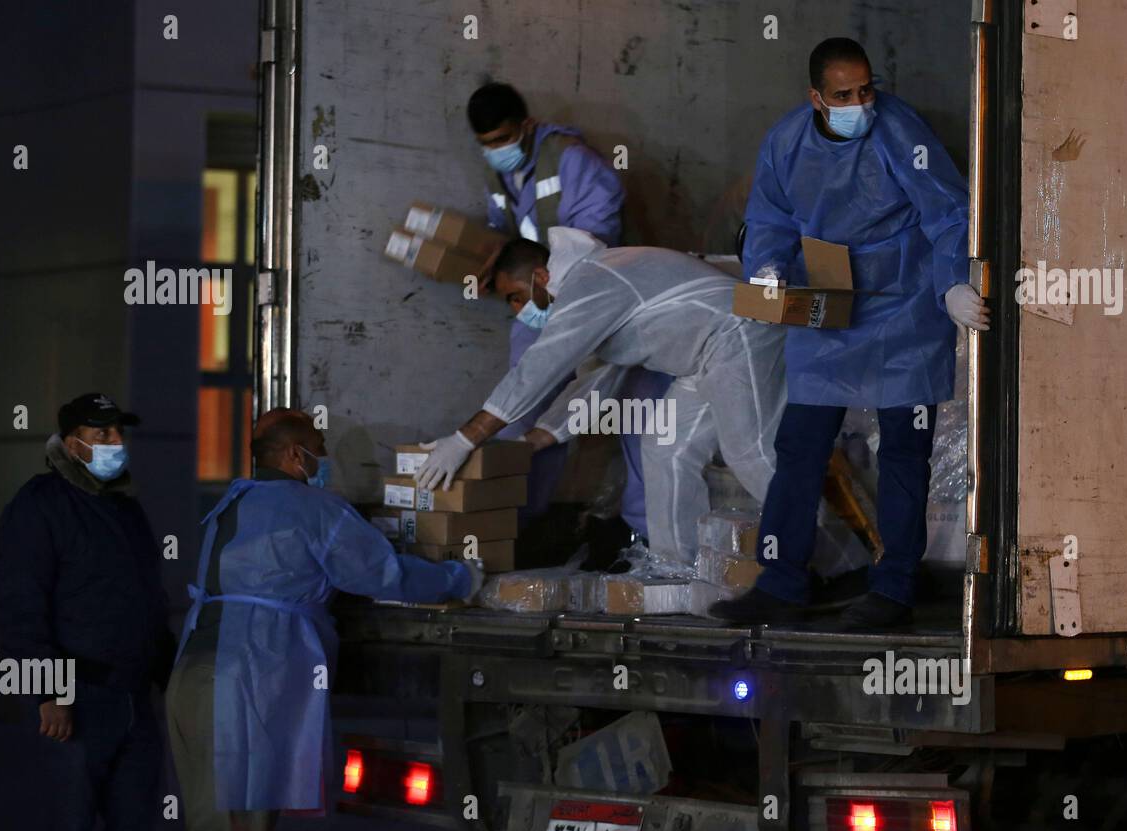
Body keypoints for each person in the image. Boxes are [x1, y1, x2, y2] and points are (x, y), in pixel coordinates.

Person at [710, 38, 990, 628]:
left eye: (866, 90)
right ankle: (782, 581)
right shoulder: (786, 143)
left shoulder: (898, 131)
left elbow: (948, 210)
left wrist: (949, 284)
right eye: (843, 95)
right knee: (800, 446)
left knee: (904, 452)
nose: (859, 103)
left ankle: (894, 588)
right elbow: (769, 218)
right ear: (816, 97)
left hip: (906, 304)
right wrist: (767, 269)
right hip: (829, 302)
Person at [166, 409, 483, 831]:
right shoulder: (313, 508)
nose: (326, 458)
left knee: (212, 823)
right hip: (243, 684)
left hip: (191, 679)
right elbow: (382, 573)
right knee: (240, 828)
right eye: (320, 449)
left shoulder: (231, 502)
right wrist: (460, 578)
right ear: (296, 455)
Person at [415, 227, 786, 565]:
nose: (518, 311)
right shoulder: (589, 289)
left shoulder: (591, 280)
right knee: (663, 446)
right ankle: (677, 570)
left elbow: (539, 368)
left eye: (515, 297)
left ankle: (831, 559)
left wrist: (466, 438)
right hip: (703, 359)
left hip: (737, 335)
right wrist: (528, 444)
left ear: (541, 277)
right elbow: (596, 381)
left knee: (749, 452)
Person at [466, 82, 669, 548]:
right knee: (524, 406)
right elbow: (508, 237)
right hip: (543, 306)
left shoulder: (573, 161)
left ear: (527, 126)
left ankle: (646, 532)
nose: (496, 151)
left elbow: (593, 242)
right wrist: (498, 271)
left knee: (637, 409)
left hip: (602, 305)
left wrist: (544, 281)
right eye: (487, 144)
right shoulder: (501, 177)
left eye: (502, 139)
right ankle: (515, 524)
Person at [0, 393, 174, 831]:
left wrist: (172, 675)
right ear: (73, 445)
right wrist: (47, 692)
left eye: (119, 432)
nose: (117, 441)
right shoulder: (39, 505)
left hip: (134, 697)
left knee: (134, 823)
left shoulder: (124, 508)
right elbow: (21, 605)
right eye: (102, 433)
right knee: (69, 824)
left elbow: (146, 600)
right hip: (77, 699)